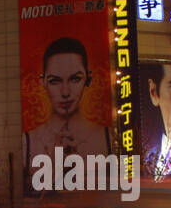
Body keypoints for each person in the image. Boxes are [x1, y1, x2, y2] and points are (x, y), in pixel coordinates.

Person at [23, 37, 111, 165]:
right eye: (55, 81)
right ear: (43, 82)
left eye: (75, 79)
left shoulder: (108, 138)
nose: (65, 92)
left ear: (88, 78)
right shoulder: (27, 142)